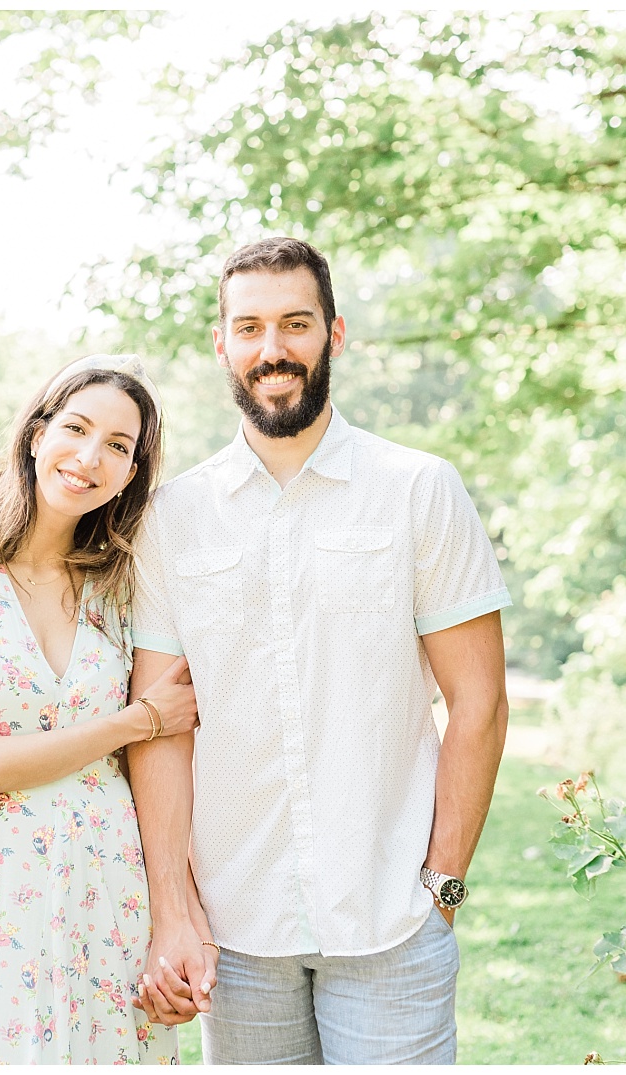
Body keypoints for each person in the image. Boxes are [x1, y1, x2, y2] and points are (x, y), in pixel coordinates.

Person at [125, 237, 511, 1064]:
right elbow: (160, 726)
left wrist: (441, 885)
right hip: (237, 931)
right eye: (251, 327)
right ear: (221, 342)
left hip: (390, 926)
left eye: (296, 324)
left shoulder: (418, 489)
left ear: (335, 334)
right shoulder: (170, 517)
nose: (274, 350)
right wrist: (175, 906)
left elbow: (478, 701)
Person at [0, 354, 196, 1064]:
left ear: (133, 474)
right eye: (77, 428)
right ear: (35, 434)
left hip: (106, 887)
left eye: (119, 447)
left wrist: (177, 916)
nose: (90, 457)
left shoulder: (121, 585)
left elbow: (163, 759)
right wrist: (139, 719)